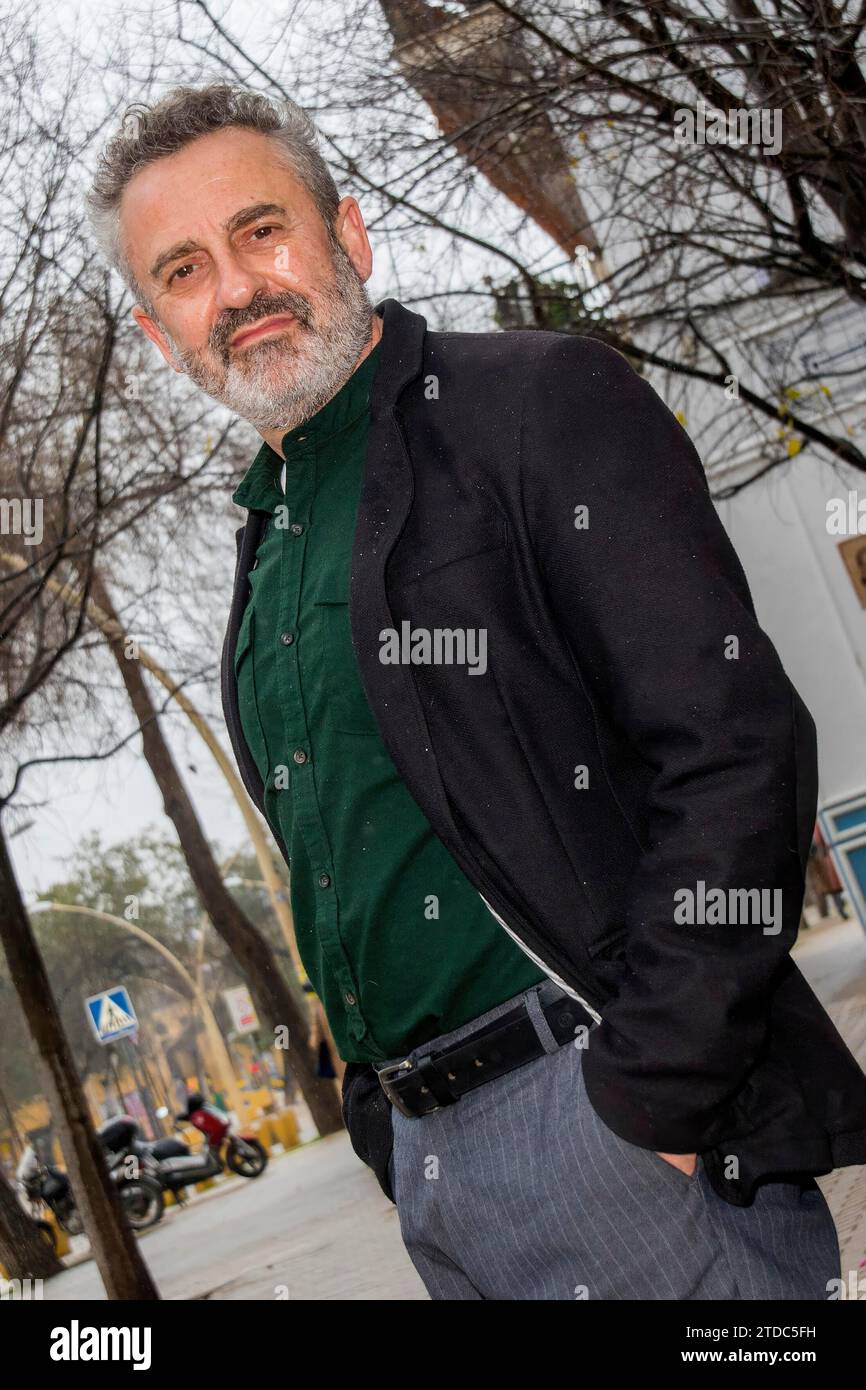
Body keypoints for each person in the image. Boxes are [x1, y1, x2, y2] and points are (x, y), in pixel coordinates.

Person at [86, 83, 866, 1301]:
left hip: (606, 1122)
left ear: (348, 234)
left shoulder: (534, 404)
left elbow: (732, 748)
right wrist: (388, 1127)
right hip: (434, 1170)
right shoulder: (268, 542)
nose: (235, 289)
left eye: (259, 230)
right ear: (155, 331)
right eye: (183, 269)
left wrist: (652, 1097)